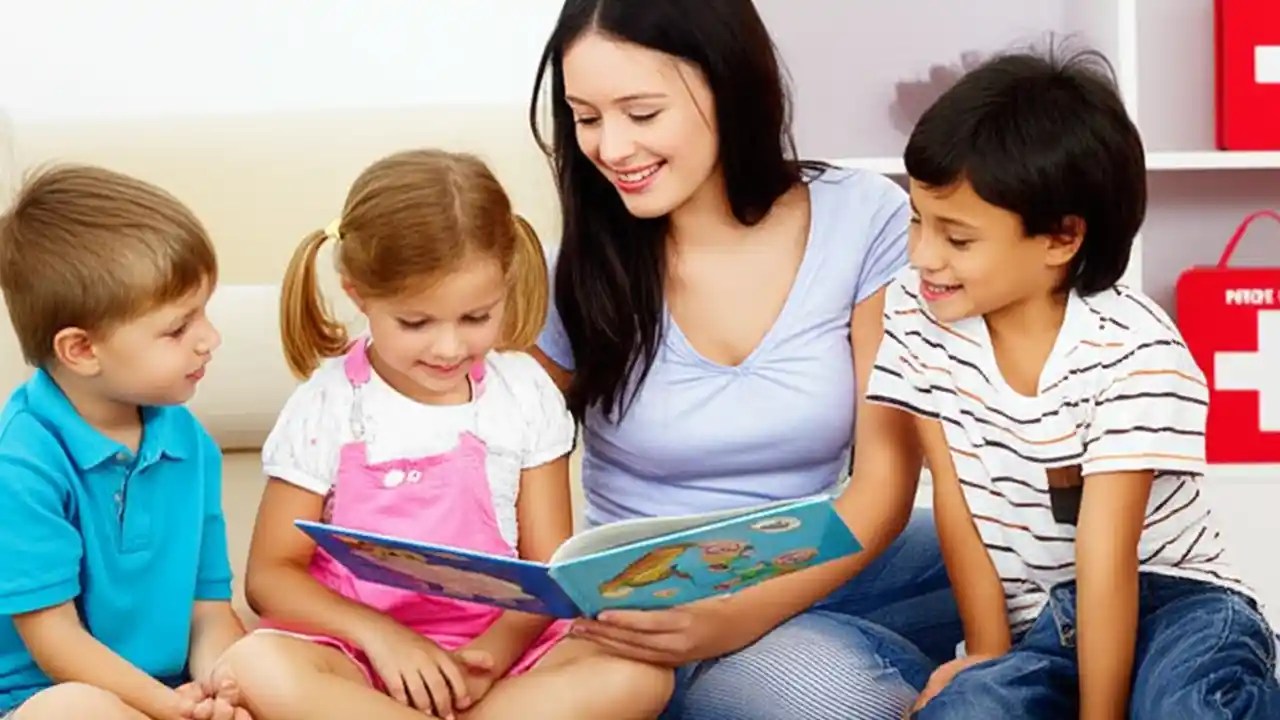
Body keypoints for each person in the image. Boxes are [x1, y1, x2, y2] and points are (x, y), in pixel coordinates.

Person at [527, 1, 962, 717]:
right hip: (661, 603)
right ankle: (854, 669)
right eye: (586, 117)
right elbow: (486, 465)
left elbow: (883, 488)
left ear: (729, 85)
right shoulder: (566, 273)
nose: (610, 147)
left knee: (1046, 554)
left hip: (827, 557)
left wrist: (747, 612)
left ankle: (911, 664)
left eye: (641, 113)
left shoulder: (863, 218)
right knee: (842, 704)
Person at [862, 48, 1280, 719]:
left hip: (1177, 603)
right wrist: (987, 659)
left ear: (1060, 238)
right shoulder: (916, 317)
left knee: (1187, 706)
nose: (922, 256)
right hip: (1046, 626)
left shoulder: (1133, 349)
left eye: (958, 239)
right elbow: (955, 499)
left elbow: (1106, 553)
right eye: (917, 219)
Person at [211, 149, 672, 720]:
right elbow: (270, 576)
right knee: (258, 664)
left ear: (506, 282)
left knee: (637, 676)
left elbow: (549, 572)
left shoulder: (524, 393)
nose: (449, 347)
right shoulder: (326, 404)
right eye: (416, 323)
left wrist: (492, 655)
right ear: (359, 295)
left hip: (498, 657)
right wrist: (384, 639)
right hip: (358, 654)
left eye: (476, 318)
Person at [0, 165, 249, 719]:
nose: (210, 339)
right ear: (82, 350)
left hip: (169, 694)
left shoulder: (189, 441)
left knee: (267, 666)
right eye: (178, 327)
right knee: (72, 711)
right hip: (40, 699)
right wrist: (170, 708)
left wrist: (220, 690)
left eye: (204, 311)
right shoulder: (21, 462)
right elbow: (56, 644)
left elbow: (208, 610)